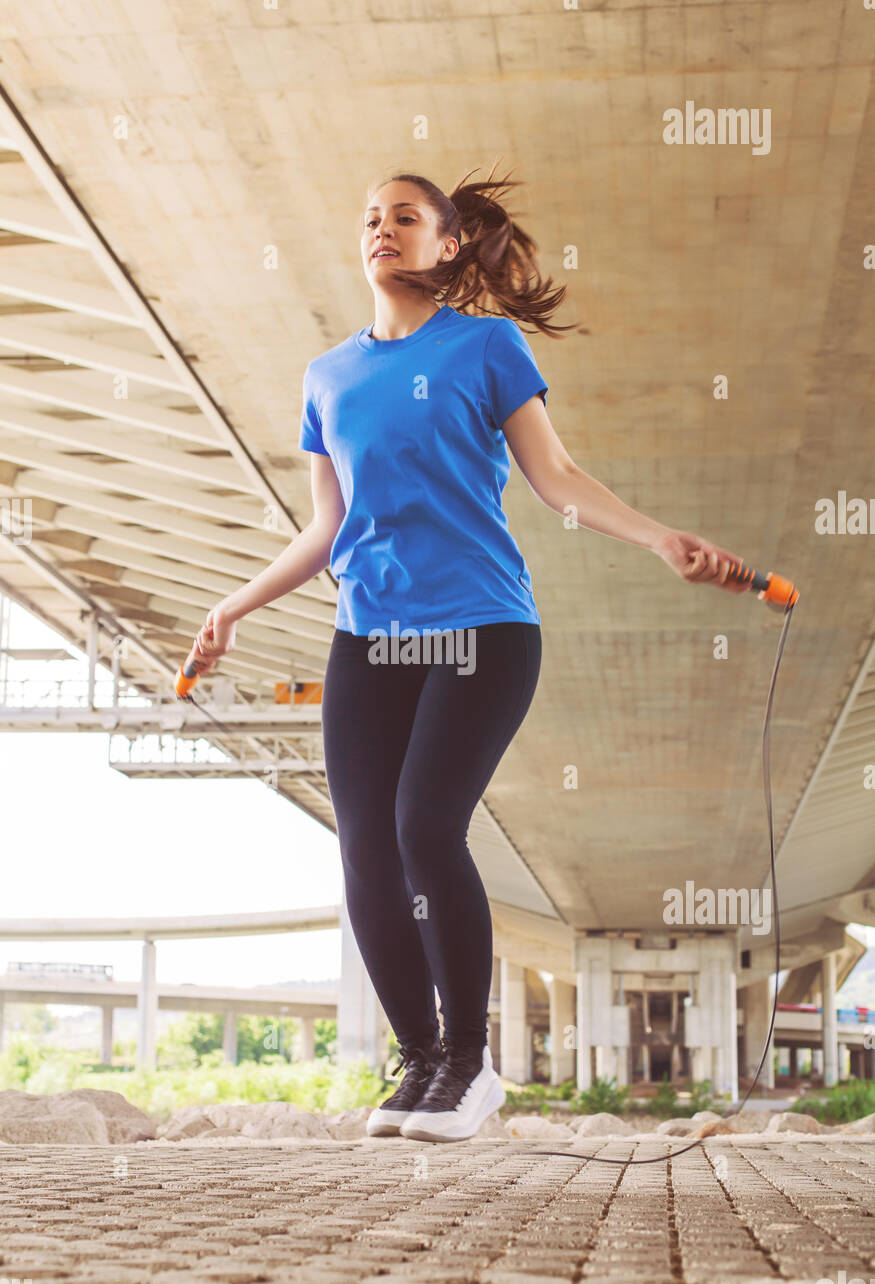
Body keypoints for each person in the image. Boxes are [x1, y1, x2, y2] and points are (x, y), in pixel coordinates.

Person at [189, 165, 752, 1144]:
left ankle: (470, 1065)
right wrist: (232, 606)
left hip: (481, 632)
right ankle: (422, 1063)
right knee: (363, 850)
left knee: (423, 825)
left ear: (447, 245)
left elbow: (557, 478)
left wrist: (660, 537)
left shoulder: (486, 346)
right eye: (369, 217)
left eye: (403, 217)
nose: (380, 230)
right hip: (369, 641)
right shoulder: (329, 376)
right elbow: (327, 526)